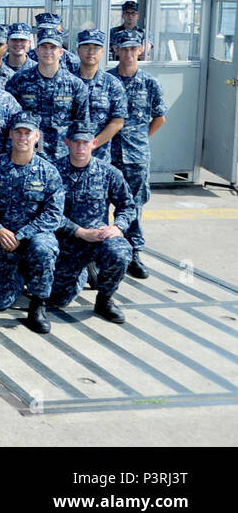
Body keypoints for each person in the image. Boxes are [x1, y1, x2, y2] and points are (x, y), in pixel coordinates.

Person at [0, 113, 63, 334]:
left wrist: (22, 234)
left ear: (37, 136)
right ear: (10, 134)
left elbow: (53, 214)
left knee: (44, 248)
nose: (22, 137)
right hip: (2, 239)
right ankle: (18, 275)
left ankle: (38, 304)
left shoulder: (48, 172)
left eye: (28, 133)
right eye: (18, 132)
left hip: (33, 237)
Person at [50, 121, 136, 323]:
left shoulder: (109, 173)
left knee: (121, 252)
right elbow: (48, 212)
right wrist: (78, 231)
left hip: (99, 238)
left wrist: (118, 227)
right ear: (67, 143)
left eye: (85, 143)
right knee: (58, 298)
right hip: (67, 242)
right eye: (76, 142)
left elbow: (128, 205)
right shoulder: (53, 172)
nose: (80, 147)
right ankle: (83, 272)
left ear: (94, 143)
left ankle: (105, 299)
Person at [109, 29, 168, 279]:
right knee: (99, 204)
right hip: (108, 154)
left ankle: (133, 251)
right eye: (125, 49)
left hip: (136, 156)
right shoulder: (107, 80)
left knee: (133, 205)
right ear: (116, 50)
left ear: (141, 50)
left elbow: (160, 118)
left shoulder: (150, 82)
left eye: (134, 49)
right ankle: (103, 252)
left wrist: (140, 139)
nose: (129, 54)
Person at [5, 26, 90, 160]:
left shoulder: (75, 85)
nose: (48, 51)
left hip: (62, 155)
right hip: (27, 154)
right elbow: (10, 120)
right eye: (44, 47)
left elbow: (81, 124)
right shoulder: (19, 80)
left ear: (61, 52)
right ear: (37, 50)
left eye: (53, 47)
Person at [72, 29, 126, 162]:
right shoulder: (66, 81)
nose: (91, 52)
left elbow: (118, 122)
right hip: (67, 155)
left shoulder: (113, 84)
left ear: (102, 52)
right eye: (86, 47)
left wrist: (91, 144)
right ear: (78, 50)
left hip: (100, 157)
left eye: (96, 48)